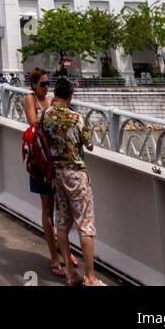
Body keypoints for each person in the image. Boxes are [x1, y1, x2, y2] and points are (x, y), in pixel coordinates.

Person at [42, 76, 103, 287]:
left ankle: (70, 273)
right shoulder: (75, 118)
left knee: (62, 223)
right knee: (85, 225)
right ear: (70, 95)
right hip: (76, 174)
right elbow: (89, 144)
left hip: (56, 175)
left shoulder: (46, 116)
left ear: (54, 94)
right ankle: (90, 277)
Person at [24, 68, 71, 281]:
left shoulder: (51, 101)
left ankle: (64, 251)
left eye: (47, 83)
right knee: (47, 208)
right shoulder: (30, 99)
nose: (46, 87)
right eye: (42, 84)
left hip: (56, 159)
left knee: (62, 206)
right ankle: (54, 258)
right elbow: (34, 123)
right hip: (41, 161)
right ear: (34, 85)